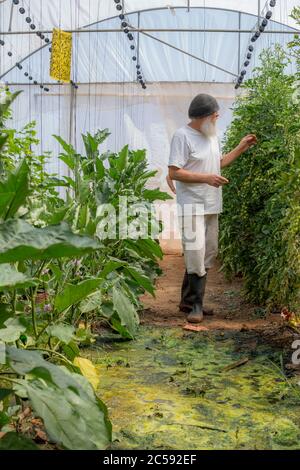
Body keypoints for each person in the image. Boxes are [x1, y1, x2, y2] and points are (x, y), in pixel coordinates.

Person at [167, 93, 257, 323]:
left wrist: (241, 147)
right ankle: (196, 305)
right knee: (196, 254)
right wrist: (206, 178)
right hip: (192, 204)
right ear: (203, 116)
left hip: (211, 203)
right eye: (215, 114)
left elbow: (218, 164)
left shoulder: (210, 136)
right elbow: (174, 172)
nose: (218, 117)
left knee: (209, 251)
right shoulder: (182, 136)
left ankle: (187, 301)